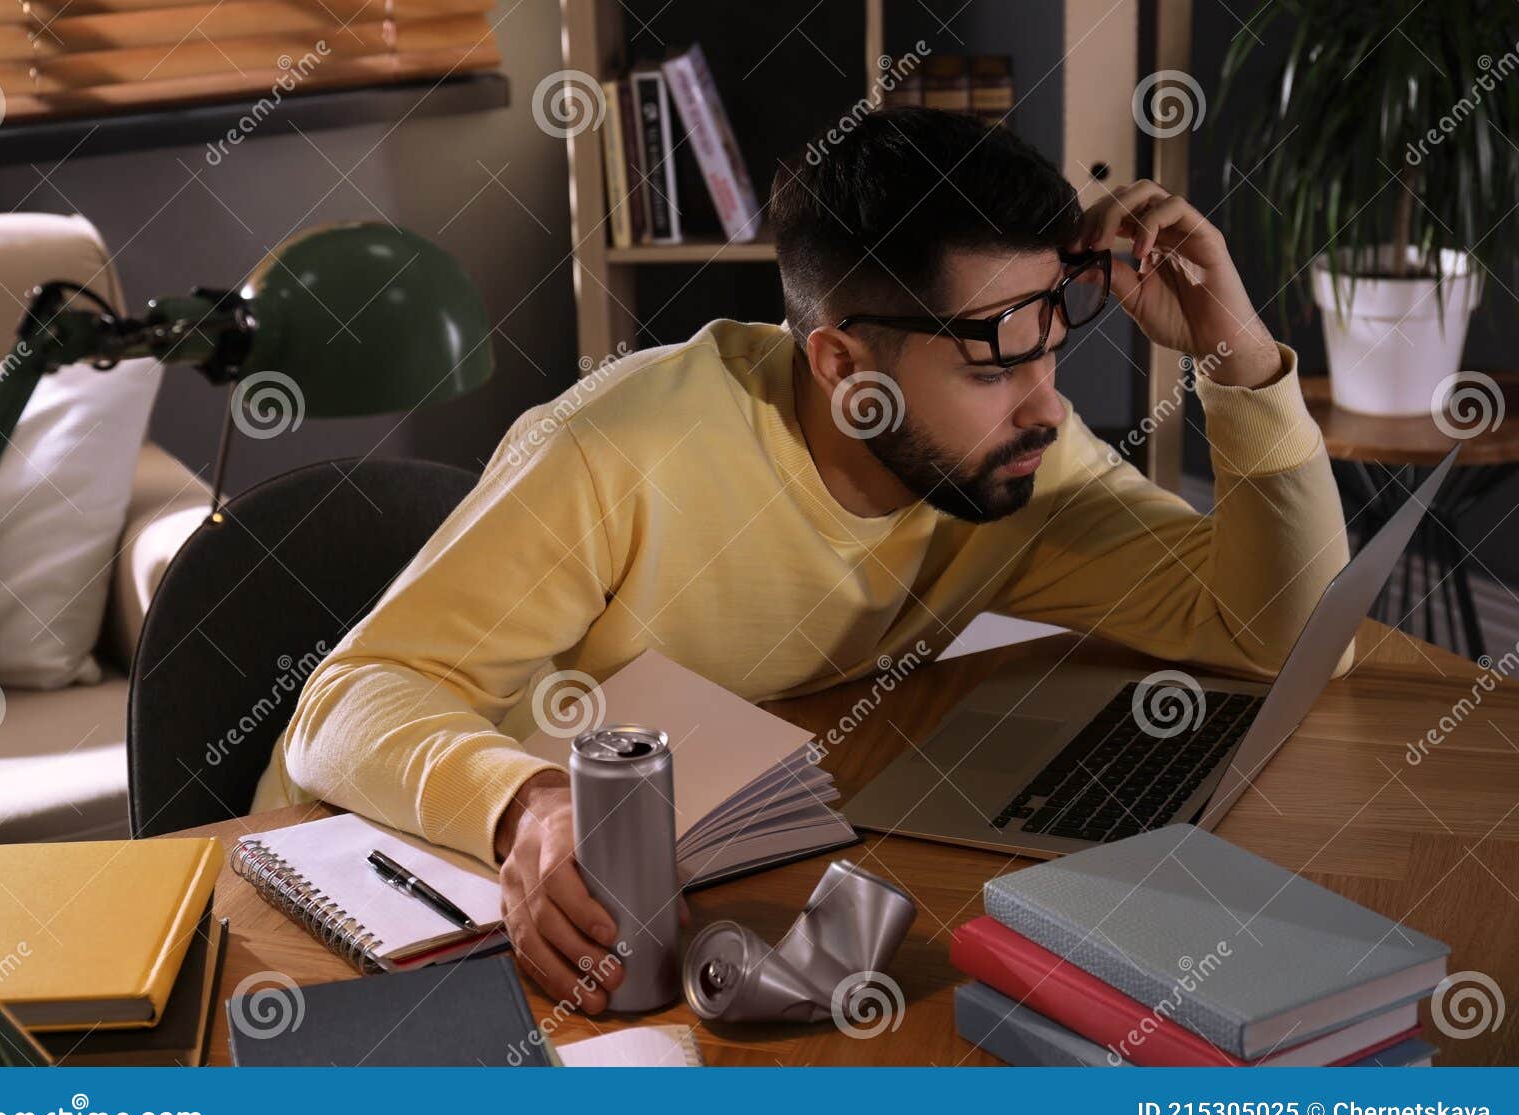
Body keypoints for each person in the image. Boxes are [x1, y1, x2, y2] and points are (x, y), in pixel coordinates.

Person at [251, 107, 1350, 1011]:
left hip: (715, 887)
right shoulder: (616, 448)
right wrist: (527, 804)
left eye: (1053, 351)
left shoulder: (1019, 471)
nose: (1046, 407)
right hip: (426, 907)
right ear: (838, 361)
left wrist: (1236, 355)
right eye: (991, 367)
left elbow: (1281, 633)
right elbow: (342, 700)